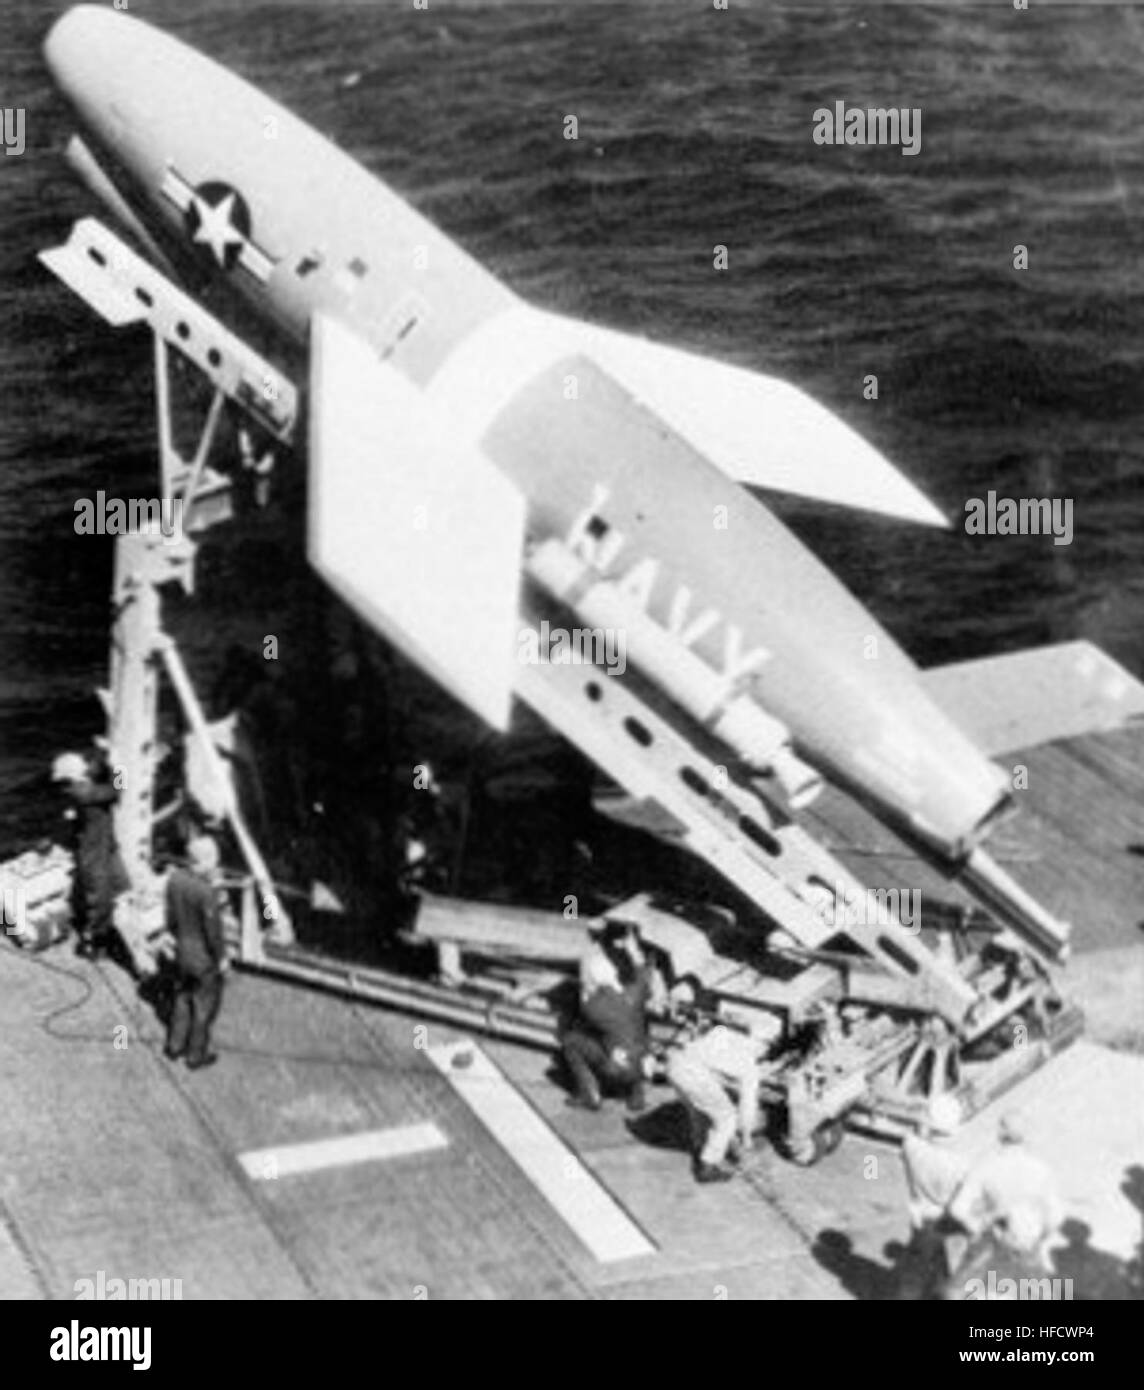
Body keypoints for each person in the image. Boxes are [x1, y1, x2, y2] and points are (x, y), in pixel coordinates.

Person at [945, 1112, 1065, 1289]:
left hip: (994, 1245)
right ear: (1026, 1136)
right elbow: (1056, 1217)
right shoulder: (1041, 1170)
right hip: (1028, 1247)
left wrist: (978, 1225)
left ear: (999, 1135)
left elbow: (957, 1208)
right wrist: (1041, 1236)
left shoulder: (986, 1166)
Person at [560, 919, 664, 1113]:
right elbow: (644, 972)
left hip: (616, 1066)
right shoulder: (637, 992)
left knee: (571, 1040)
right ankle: (636, 1096)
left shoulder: (595, 1005)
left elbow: (586, 1006)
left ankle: (589, 1093)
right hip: (643, 1065)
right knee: (639, 1028)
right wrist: (635, 953)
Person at [667, 1017, 771, 1183]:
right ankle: (708, 1166)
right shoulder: (748, 1064)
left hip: (674, 1065)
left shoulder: (724, 1032)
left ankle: (699, 1147)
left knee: (699, 1111)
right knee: (727, 1117)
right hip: (691, 1073)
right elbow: (747, 1106)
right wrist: (746, 1139)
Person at [51, 750, 130, 959]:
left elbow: (97, 776)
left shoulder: (77, 788)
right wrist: (118, 767)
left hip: (103, 847)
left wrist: (102, 758)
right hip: (95, 855)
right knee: (100, 899)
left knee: (121, 886)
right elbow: (118, 790)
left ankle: (106, 932)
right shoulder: (84, 792)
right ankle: (95, 942)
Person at [896, 1095, 970, 1299]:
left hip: (920, 1218)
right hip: (945, 1221)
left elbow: (914, 1131)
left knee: (913, 1276)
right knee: (947, 1275)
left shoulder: (911, 1146)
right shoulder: (960, 1164)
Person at [164, 834, 226, 1070]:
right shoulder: (206, 892)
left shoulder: (175, 880)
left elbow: (170, 916)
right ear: (204, 861)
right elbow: (214, 932)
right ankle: (195, 1055)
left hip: (181, 951)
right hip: (202, 959)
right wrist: (221, 958)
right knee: (203, 1007)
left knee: (181, 997)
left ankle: (174, 1044)